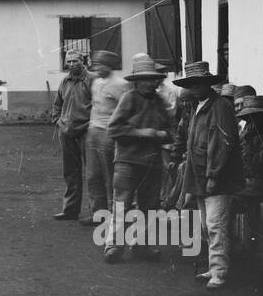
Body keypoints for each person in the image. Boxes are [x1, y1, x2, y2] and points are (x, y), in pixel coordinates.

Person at [176, 61, 243, 289]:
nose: (195, 88)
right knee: (205, 224)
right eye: (191, 84)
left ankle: (220, 271)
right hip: (199, 176)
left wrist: (214, 174)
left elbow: (224, 143)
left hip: (217, 176)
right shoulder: (197, 107)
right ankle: (213, 266)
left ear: (208, 84)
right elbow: (192, 144)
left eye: (199, 83)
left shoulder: (221, 106)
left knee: (216, 224)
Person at [103, 54, 173, 261]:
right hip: (128, 161)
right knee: (122, 204)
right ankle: (113, 246)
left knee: (149, 205)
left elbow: (171, 127)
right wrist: (145, 133)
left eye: (153, 79)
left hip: (152, 162)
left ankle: (142, 246)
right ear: (137, 81)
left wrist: (165, 135)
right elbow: (114, 129)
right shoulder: (129, 99)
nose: (151, 82)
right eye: (145, 79)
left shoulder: (159, 101)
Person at [84, 50, 128, 224]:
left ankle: (113, 213)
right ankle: (98, 213)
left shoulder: (120, 84)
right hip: (93, 131)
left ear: (110, 65)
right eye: (95, 65)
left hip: (109, 134)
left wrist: (117, 132)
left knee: (110, 174)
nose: (97, 68)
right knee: (93, 174)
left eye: (101, 65)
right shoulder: (96, 83)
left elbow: (126, 110)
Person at [51, 48, 93, 220]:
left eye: (75, 60)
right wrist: (57, 121)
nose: (71, 64)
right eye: (69, 61)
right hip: (66, 132)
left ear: (83, 61)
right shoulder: (64, 81)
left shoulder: (91, 80)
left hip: (86, 131)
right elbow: (57, 104)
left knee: (92, 173)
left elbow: (99, 104)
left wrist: (91, 125)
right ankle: (70, 210)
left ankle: (96, 212)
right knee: (70, 172)